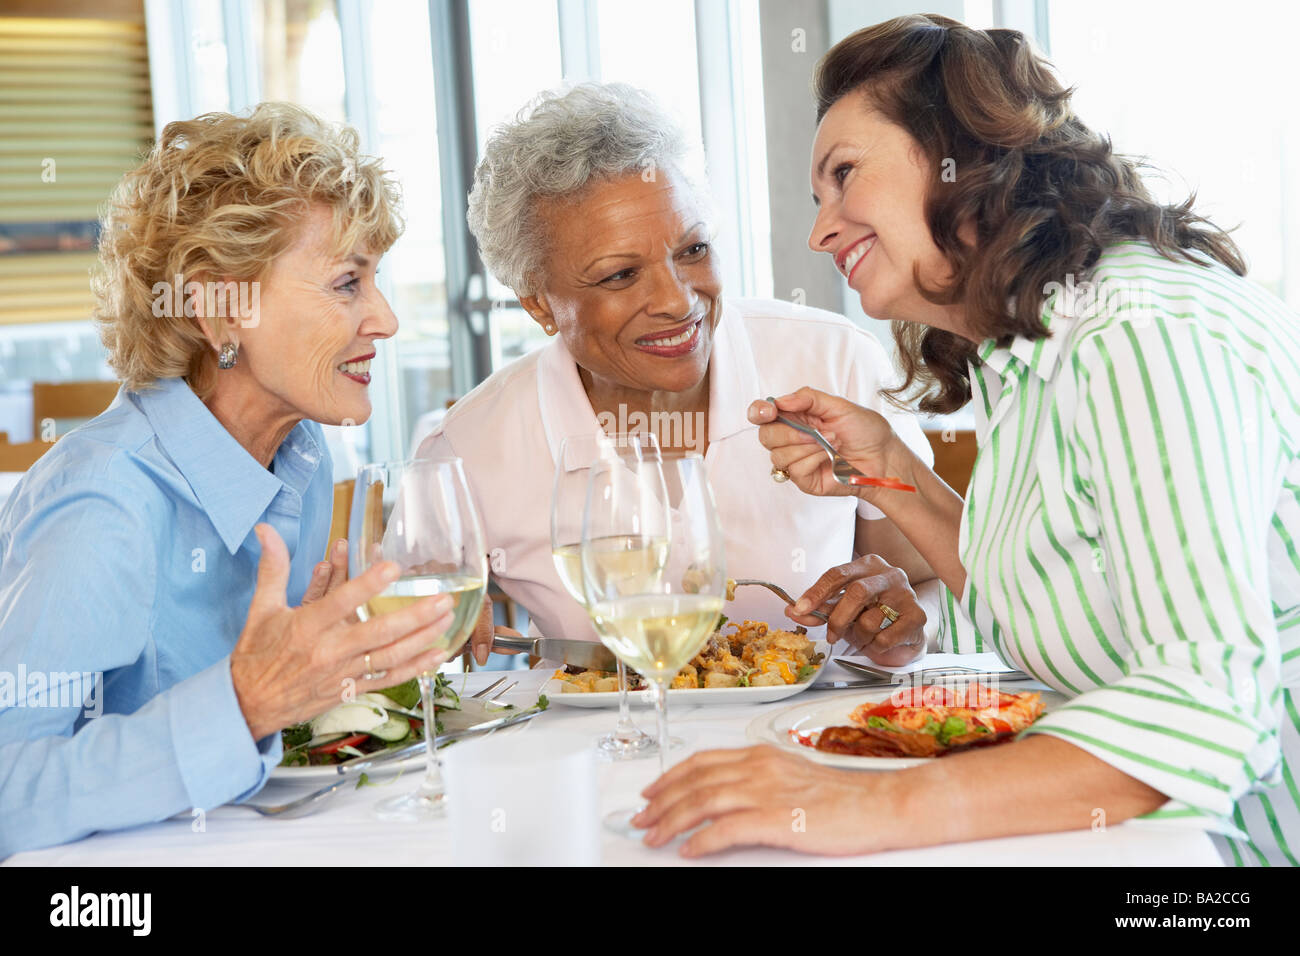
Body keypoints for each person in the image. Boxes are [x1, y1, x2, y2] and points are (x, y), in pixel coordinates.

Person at [634, 14, 1299, 866]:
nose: (821, 231)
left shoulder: (1139, 334)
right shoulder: (1038, 348)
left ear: (966, 154)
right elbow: (1053, 603)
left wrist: (861, 802)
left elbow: (1207, 705)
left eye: (844, 177)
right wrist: (893, 474)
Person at [0, 104, 458, 857]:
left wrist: (323, 671)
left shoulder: (304, 457)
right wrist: (247, 702)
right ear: (220, 309)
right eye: (347, 283)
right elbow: (10, 792)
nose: (385, 319)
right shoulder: (104, 503)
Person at [419, 82, 940, 664]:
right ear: (539, 303)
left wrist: (903, 625)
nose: (676, 300)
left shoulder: (832, 359)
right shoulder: (468, 447)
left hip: (814, 739)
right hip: (598, 753)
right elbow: (415, 622)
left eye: (692, 250)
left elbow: (923, 579)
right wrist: (433, 633)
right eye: (619, 275)